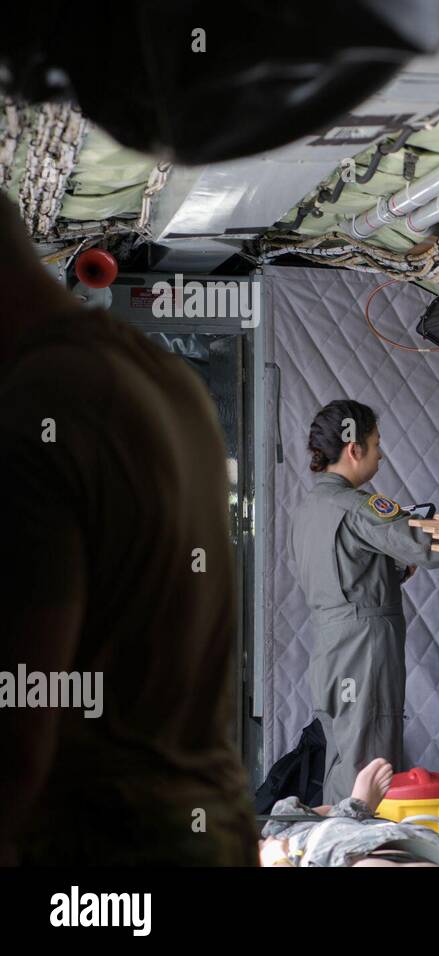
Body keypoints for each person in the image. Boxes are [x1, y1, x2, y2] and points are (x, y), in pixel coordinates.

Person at [0, 194, 258, 865]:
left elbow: (21, 729)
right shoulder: (163, 377)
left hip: (105, 849)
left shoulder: (37, 408)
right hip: (208, 825)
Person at [290, 400, 439, 805]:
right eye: (376, 444)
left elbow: (344, 572)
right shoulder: (357, 505)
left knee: (343, 756)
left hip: (330, 648)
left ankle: (331, 848)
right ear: (354, 449)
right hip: (364, 647)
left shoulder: (310, 506)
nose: (381, 455)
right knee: (371, 760)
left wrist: (392, 573)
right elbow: (427, 547)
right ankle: (360, 852)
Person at [259, 757, 439, 867]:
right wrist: (275, 859)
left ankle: (356, 807)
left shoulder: (281, 820)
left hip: (385, 839)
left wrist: (356, 804)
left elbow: (329, 814)